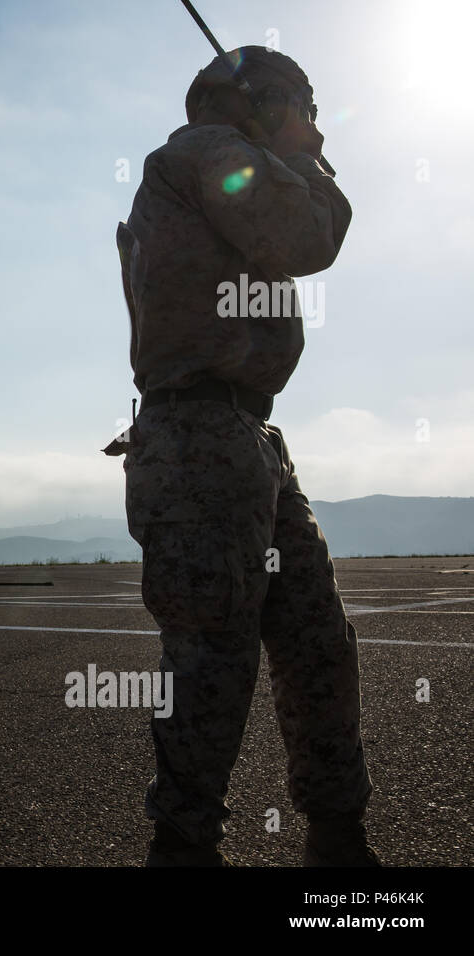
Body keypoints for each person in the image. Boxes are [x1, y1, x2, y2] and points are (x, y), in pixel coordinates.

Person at [110, 46, 378, 866]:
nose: (315, 126)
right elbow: (307, 236)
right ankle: (183, 849)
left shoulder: (224, 159)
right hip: (201, 439)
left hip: (246, 437)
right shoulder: (205, 155)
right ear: (259, 108)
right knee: (210, 661)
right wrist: (312, 166)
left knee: (314, 643)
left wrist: (291, 150)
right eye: (304, 107)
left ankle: (338, 841)